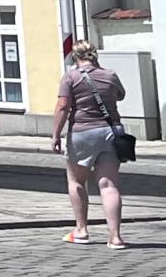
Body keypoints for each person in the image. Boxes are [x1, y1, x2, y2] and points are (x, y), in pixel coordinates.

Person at [50, 40, 127, 246]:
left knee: (76, 181)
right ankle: (115, 237)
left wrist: (56, 134)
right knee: (109, 184)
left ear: (75, 57)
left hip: (82, 132)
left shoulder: (71, 77)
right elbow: (120, 95)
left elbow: (63, 106)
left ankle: (81, 230)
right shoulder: (109, 75)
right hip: (111, 131)